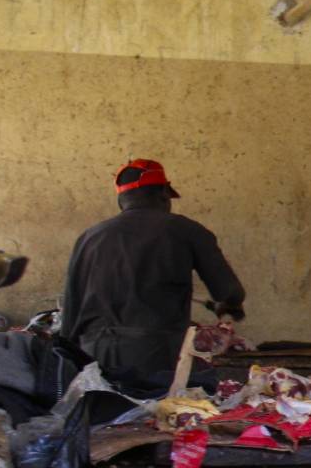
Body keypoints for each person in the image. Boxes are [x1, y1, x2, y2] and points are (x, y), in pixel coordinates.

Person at [58, 159, 245, 395]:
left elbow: (70, 311)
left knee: (111, 418)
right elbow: (229, 291)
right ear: (162, 194)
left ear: (121, 200)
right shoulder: (185, 230)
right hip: (155, 357)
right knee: (187, 399)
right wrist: (229, 304)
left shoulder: (88, 238)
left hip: (94, 354)